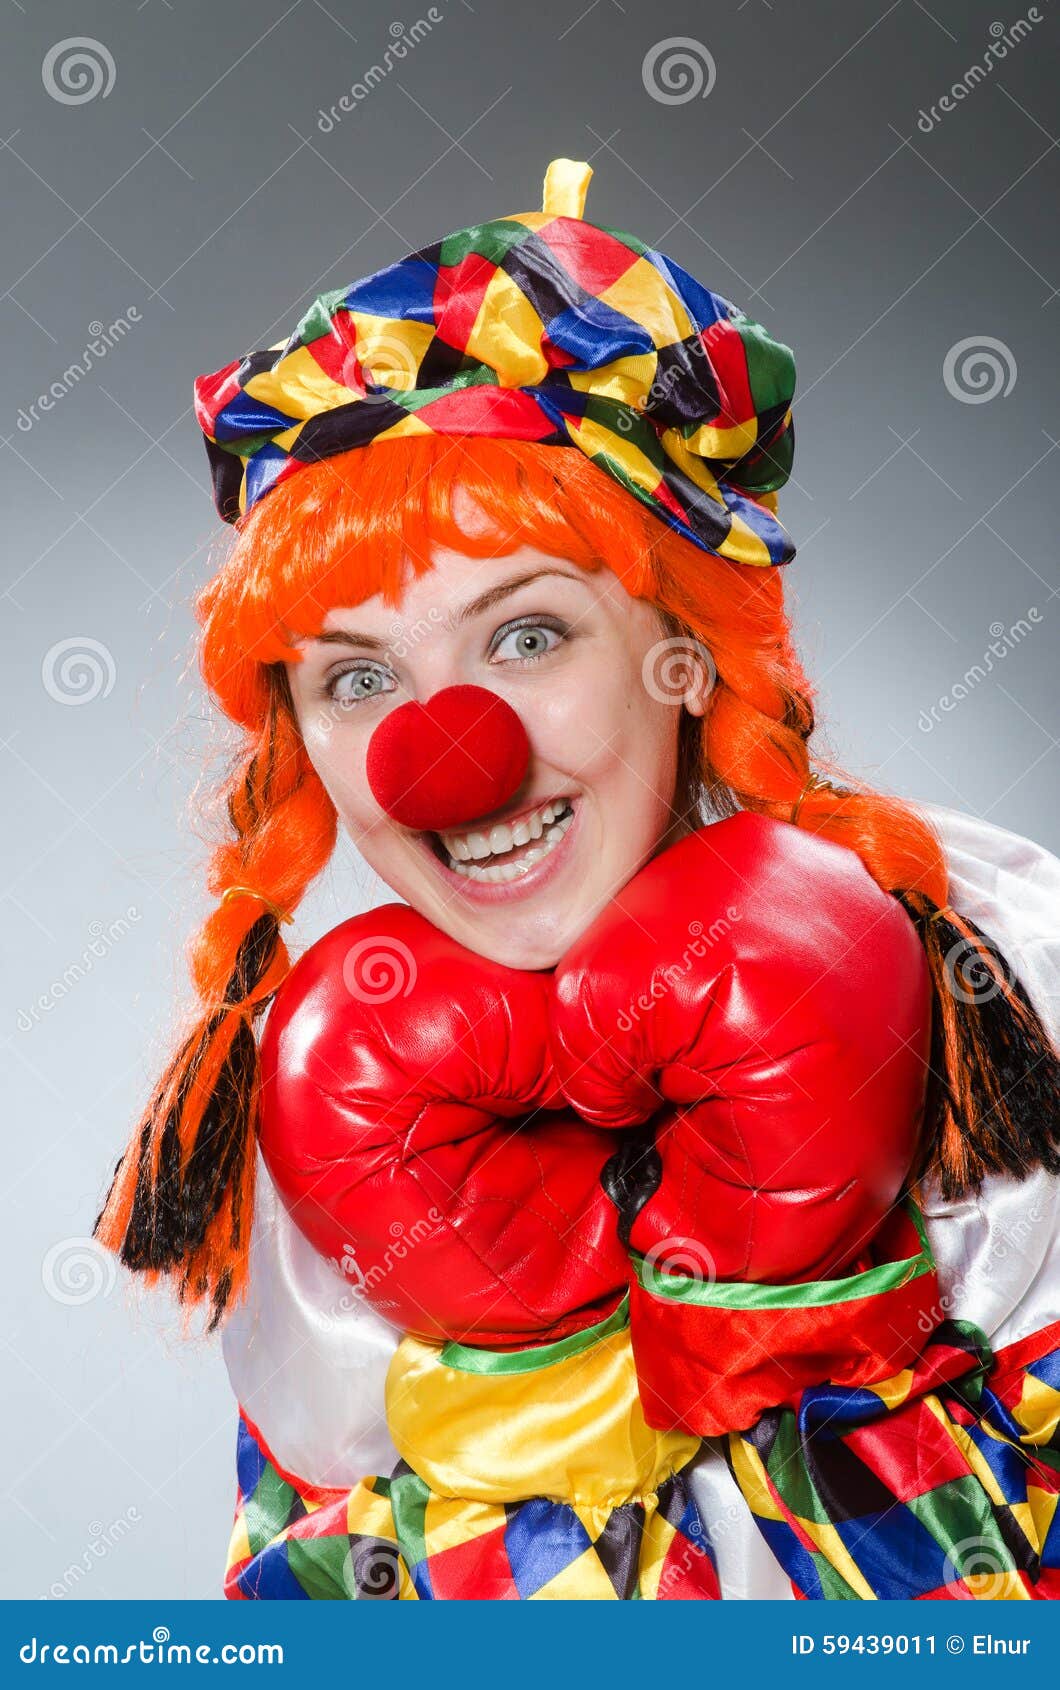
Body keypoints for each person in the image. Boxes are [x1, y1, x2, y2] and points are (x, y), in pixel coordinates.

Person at [94, 159, 1060, 1601]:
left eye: (528, 637)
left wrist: (795, 1293)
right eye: (361, 675)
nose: (446, 755)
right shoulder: (341, 1089)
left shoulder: (992, 978)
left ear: (685, 652)